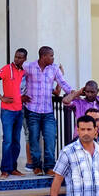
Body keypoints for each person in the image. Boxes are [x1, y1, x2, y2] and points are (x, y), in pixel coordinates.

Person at [22, 46, 73, 176]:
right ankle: (36, 166)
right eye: (51, 55)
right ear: (43, 56)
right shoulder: (29, 66)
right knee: (34, 139)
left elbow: (63, 83)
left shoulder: (54, 68)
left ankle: (49, 166)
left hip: (48, 111)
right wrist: (19, 95)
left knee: (50, 139)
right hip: (32, 110)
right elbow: (18, 79)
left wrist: (73, 93)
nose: (53, 58)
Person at [0, 47, 29, 179]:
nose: (17, 59)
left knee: (16, 141)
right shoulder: (7, 69)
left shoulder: (24, 71)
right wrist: (1, 97)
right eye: (16, 56)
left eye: (20, 57)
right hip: (7, 111)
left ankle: (13, 168)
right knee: (7, 141)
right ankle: (4, 170)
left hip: (19, 110)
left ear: (25, 59)